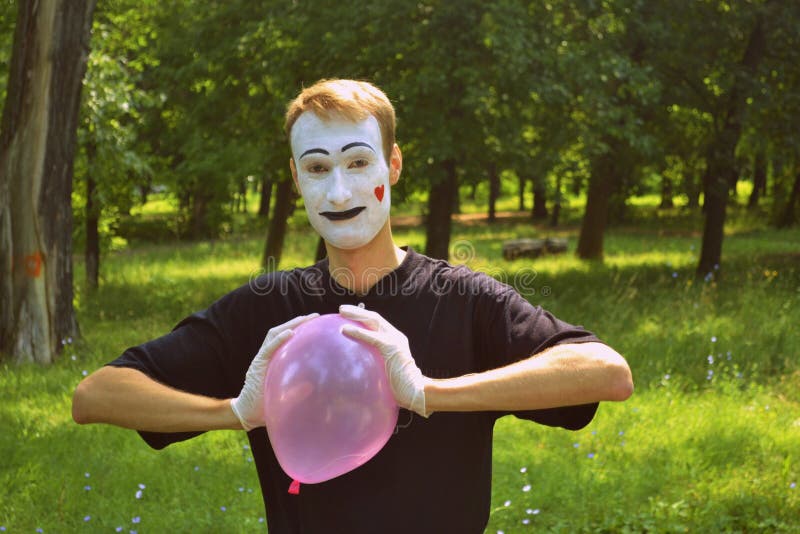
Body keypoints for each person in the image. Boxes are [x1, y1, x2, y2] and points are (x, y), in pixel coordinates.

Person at [72, 79, 633, 533]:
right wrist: (237, 412)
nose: (338, 193)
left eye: (358, 163)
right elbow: (95, 395)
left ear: (393, 165)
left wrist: (428, 392)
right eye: (317, 169)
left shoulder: (462, 300)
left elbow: (606, 373)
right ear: (296, 178)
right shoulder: (268, 309)